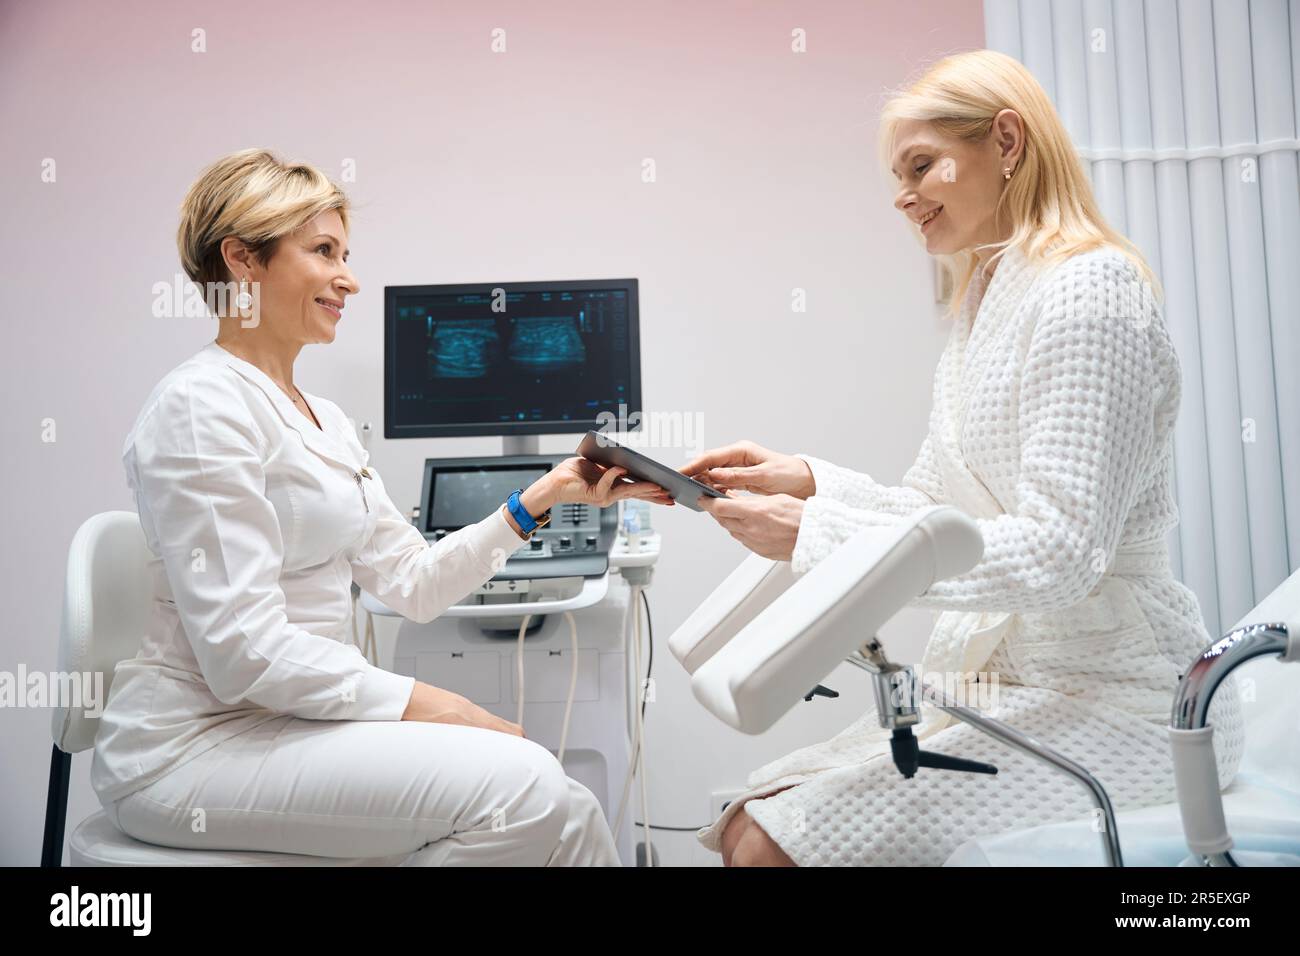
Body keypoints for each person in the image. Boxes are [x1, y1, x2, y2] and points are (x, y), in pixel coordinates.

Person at [679, 49, 1245, 867]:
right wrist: (811, 483)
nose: (903, 196)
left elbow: (1060, 553)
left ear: (1007, 142)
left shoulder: (1089, 291)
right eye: (895, 177)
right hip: (1012, 684)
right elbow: (935, 505)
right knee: (749, 815)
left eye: (921, 164)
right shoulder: (984, 299)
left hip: (1123, 705)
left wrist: (815, 534)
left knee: (768, 847)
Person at [91, 147, 673, 865]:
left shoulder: (324, 420)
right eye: (324, 251)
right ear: (243, 259)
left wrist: (543, 497)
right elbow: (242, 654)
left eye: (346, 252)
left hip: (289, 726)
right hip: (193, 749)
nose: (350, 278)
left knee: (568, 803)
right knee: (524, 793)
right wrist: (434, 704)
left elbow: (415, 584)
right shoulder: (198, 407)